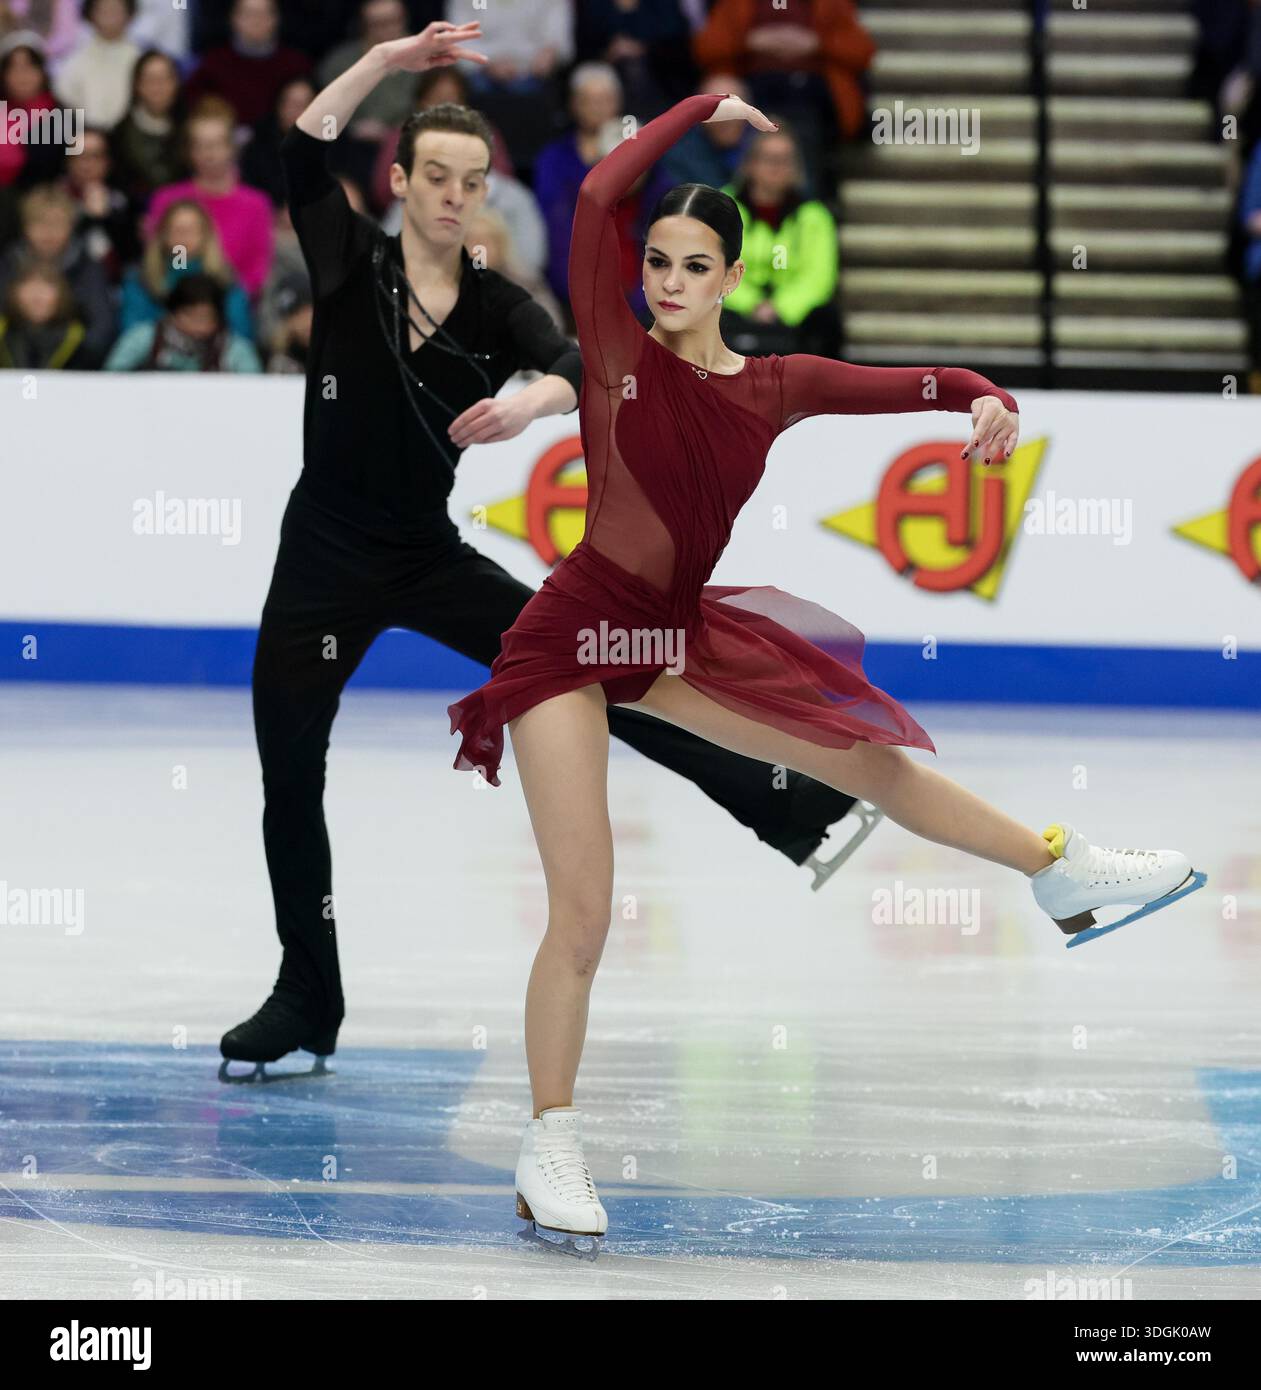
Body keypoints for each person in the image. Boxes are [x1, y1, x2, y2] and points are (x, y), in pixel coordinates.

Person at [445, 93, 1202, 1249]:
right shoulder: (612, 353)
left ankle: (1060, 868)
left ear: (735, 274)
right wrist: (701, 110)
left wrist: (991, 399)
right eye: (657, 262)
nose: (668, 281)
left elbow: (915, 383)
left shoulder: (774, 386)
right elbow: (600, 194)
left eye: (695, 265)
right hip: (573, 639)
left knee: (866, 757)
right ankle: (549, 1140)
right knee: (586, 915)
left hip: (673, 636)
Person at [218, 23, 862, 1080]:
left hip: (423, 553)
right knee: (289, 773)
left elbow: (578, 366)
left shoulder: (492, 303)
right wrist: (386, 62)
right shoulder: (349, 265)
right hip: (320, 560)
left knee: (591, 671)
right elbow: (299, 147)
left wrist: (530, 404)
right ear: (401, 177)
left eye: (470, 179)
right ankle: (307, 993)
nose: (452, 194)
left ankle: (778, 797)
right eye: (434, 174)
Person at [719, 121, 840, 359]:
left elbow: (818, 279)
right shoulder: (722, 206)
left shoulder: (814, 215)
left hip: (792, 314)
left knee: (827, 319)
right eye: (769, 159)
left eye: (785, 161)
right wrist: (751, 304)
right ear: (750, 164)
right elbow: (714, 267)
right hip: (734, 305)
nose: (777, 168)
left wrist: (780, 308)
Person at [145, 98, 275, 298]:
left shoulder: (256, 204)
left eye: (216, 145)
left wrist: (224, 301)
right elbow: (160, 260)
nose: (209, 154)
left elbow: (258, 270)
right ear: (189, 151)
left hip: (234, 308)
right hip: (173, 302)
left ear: (232, 147)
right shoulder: (167, 200)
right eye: (200, 146)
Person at [104, 270, 262, 370]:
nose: (197, 324)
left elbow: (253, 390)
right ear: (172, 313)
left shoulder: (235, 350)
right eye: (190, 315)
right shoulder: (145, 338)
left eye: (205, 317)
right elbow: (112, 378)